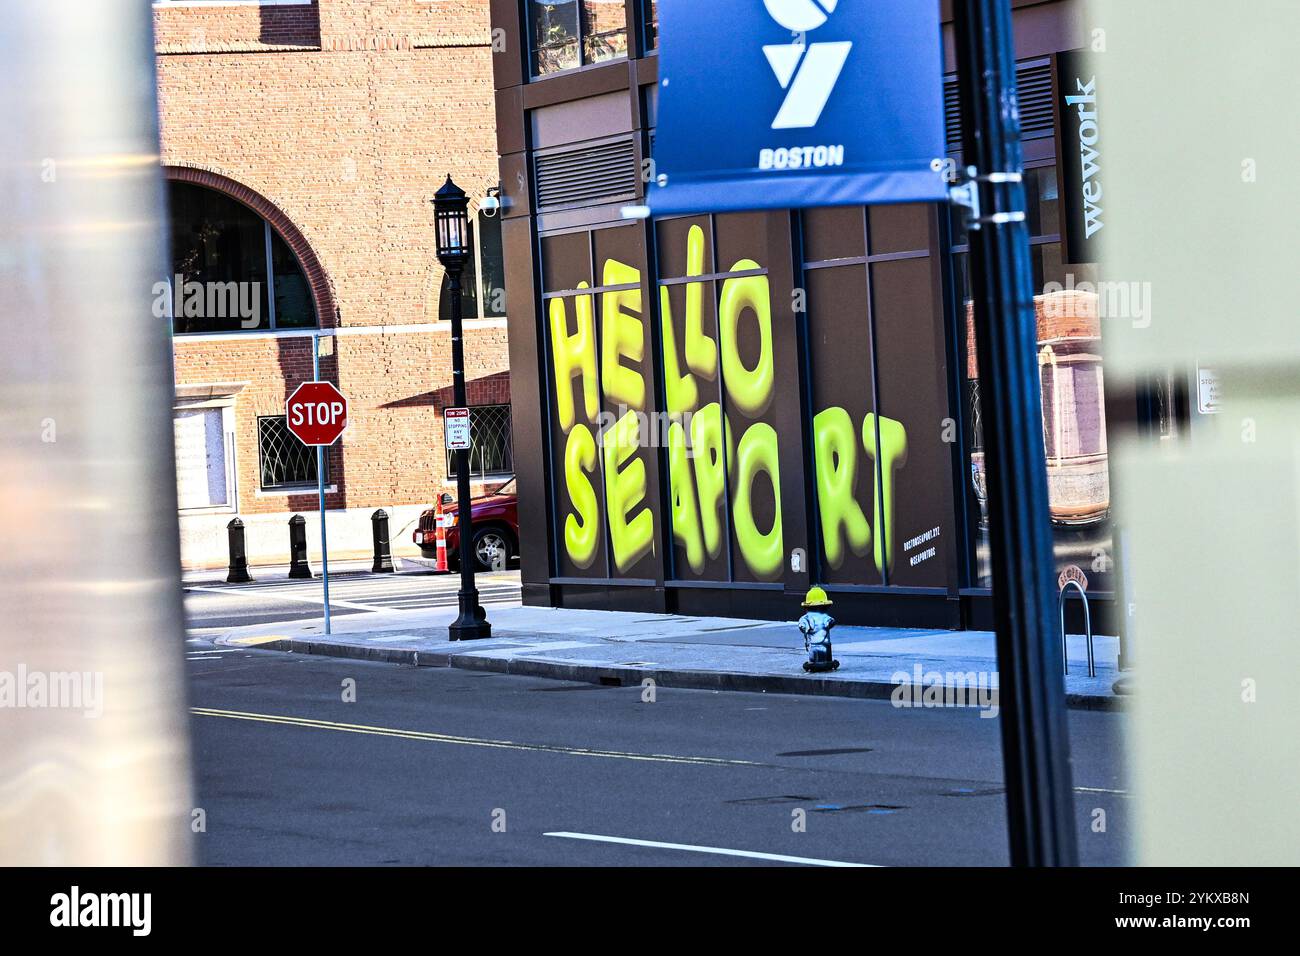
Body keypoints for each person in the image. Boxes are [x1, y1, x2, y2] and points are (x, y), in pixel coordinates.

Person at [798, 586, 840, 673]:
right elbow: (831, 621)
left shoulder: (806, 618)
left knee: (815, 654)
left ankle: (816, 663)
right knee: (825, 653)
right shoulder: (824, 617)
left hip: (814, 645)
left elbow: (802, 625)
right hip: (824, 644)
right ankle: (826, 662)